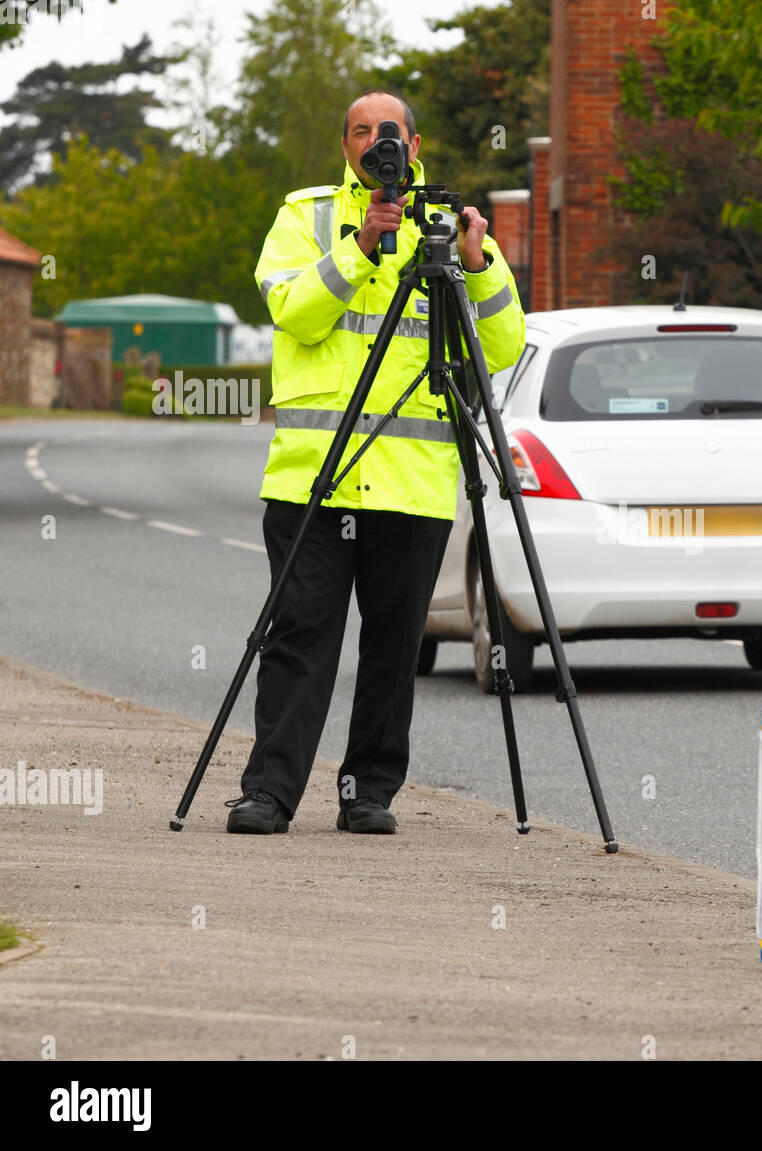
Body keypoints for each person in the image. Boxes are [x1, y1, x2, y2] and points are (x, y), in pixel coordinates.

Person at [225, 90, 525, 835]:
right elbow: (292, 310)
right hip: (314, 477)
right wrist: (359, 247)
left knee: (394, 648)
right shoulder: (308, 216)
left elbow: (503, 348)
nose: (375, 142)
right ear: (346, 144)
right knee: (297, 637)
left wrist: (478, 263)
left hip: (411, 485)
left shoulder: (449, 230)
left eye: (387, 131)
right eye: (361, 131)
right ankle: (269, 793)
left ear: (414, 146)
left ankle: (368, 792)